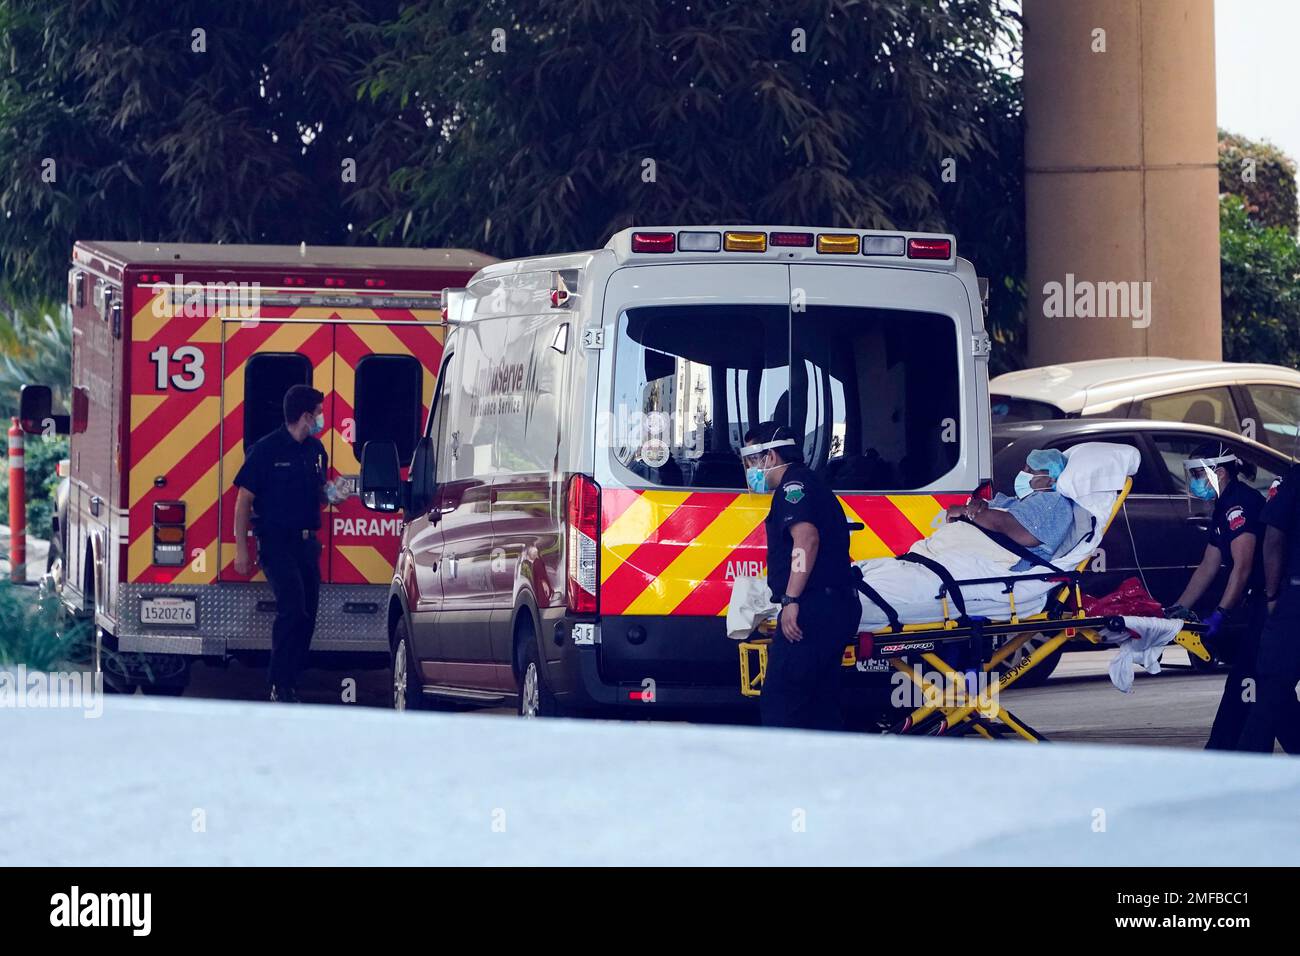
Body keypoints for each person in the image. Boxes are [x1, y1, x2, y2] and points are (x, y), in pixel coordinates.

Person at [742, 421, 858, 731]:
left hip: (814, 609)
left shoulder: (794, 488)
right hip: (833, 605)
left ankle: (785, 774)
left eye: (754, 460)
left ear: (771, 457)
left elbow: (805, 540)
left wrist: (791, 599)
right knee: (819, 704)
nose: (751, 469)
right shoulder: (808, 482)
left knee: (782, 703)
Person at [233, 384, 338, 702]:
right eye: (318, 412)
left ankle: (291, 680)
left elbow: (321, 495)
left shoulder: (316, 451)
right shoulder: (265, 450)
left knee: (307, 615)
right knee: (292, 609)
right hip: (276, 544)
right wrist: (241, 549)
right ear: (306, 416)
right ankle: (279, 684)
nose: (321, 418)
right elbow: (243, 502)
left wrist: (337, 494)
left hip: (307, 545)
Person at [1161, 443, 1266, 750]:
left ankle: (1222, 750)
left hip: (1272, 599)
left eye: (1197, 474)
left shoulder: (1239, 506)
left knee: (1252, 679)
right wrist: (1179, 608)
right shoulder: (1223, 506)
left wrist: (1222, 612)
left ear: (1219, 472)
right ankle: (1235, 749)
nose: (1193, 482)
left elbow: (1243, 567)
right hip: (1261, 600)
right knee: (1259, 682)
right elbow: (1208, 566)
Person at [1237, 459, 1300, 754]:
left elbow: (1273, 539)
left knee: (1273, 682)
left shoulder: (1295, 479)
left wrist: (1272, 594)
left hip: (1295, 598)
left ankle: (1252, 766)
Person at [943, 447, 1075, 568]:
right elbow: (989, 512)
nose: (1024, 473)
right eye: (1025, 468)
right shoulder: (1016, 501)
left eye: (1031, 471)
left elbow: (1009, 525)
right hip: (962, 555)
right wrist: (976, 506)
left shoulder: (1053, 502)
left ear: (1050, 480)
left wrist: (966, 512)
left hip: (998, 570)